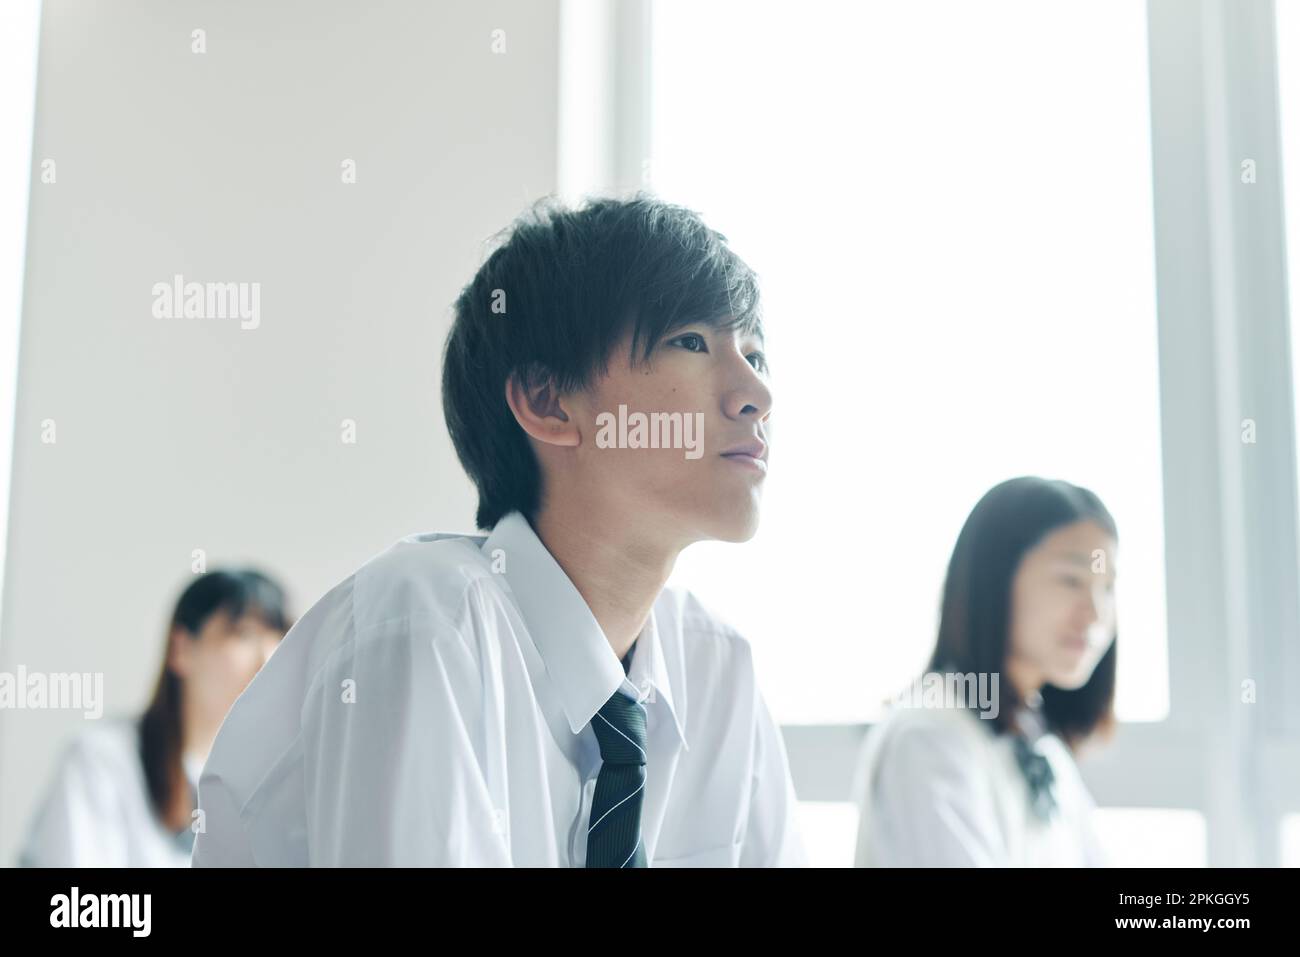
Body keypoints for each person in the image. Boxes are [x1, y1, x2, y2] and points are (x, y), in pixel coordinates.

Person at [193, 194, 805, 867]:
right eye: (691, 341)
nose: (757, 395)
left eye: (756, 354)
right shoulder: (428, 624)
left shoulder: (719, 666)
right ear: (547, 401)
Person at [852, 477, 1118, 867]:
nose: (1094, 613)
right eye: (1071, 580)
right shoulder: (929, 736)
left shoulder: (1039, 741)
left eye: (1107, 587)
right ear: (994, 581)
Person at [20, 569, 291, 866]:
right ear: (182, 648)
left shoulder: (268, 784)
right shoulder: (101, 760)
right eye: (244, 634)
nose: (268, 659)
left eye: (279, 639)